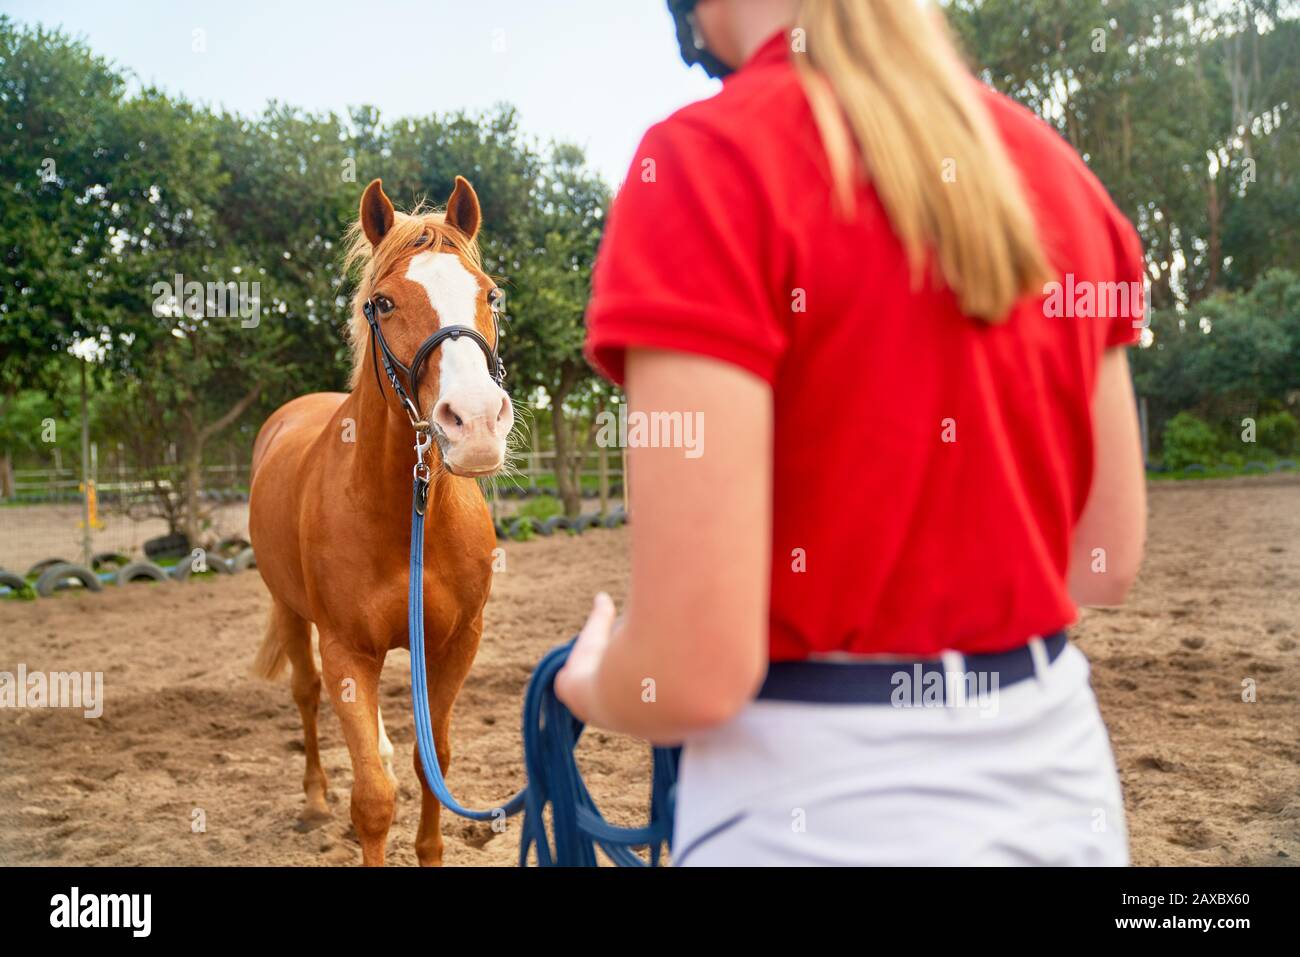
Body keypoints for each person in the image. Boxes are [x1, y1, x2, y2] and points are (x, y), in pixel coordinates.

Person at [554, 0, 1146, 866]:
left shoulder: (704, 163)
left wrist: (591, 682)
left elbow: (691, 671)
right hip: (1057, 783)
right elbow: (1106, 557)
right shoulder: (1059, 177)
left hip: (812, 809)